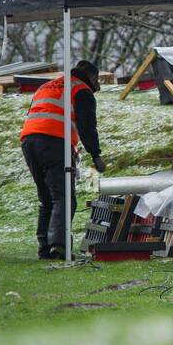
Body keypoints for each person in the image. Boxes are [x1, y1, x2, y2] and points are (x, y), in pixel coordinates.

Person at [19, 60, 106, 260]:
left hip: (29, 141)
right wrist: (96, 155)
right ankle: (59, 247)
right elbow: (87, 127)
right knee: (64, 197)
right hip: (54, 142)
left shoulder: (47, 86)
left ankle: (44, 247)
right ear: (92, 78)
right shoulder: (81, 90)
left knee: (47, 198)